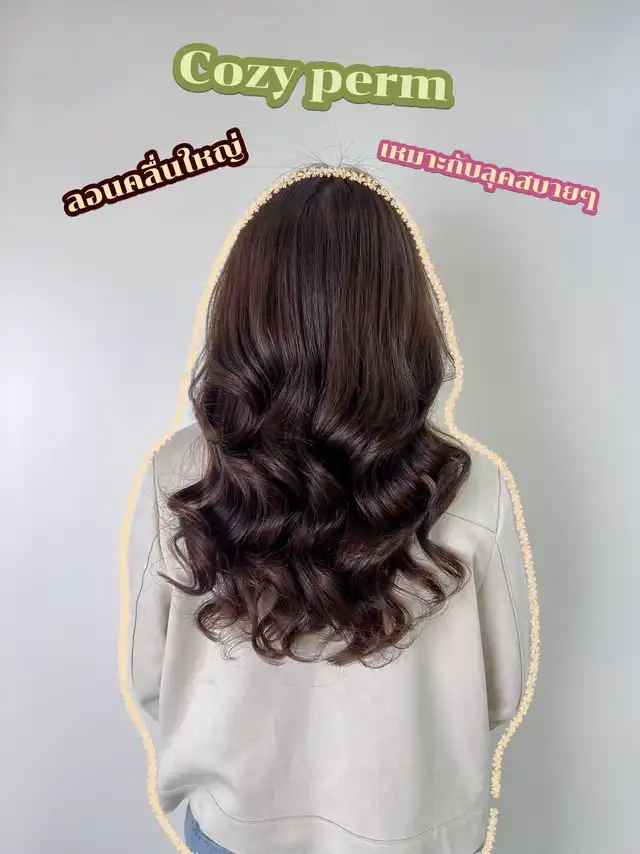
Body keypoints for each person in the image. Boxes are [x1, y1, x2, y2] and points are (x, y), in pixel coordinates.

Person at [127, 166, 530, 854]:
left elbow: (152, 676)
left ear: (246, 309)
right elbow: (498, 692)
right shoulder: (470, 484)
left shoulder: (182, 471)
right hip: (412, 835)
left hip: (236, 829)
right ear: (401, 317)